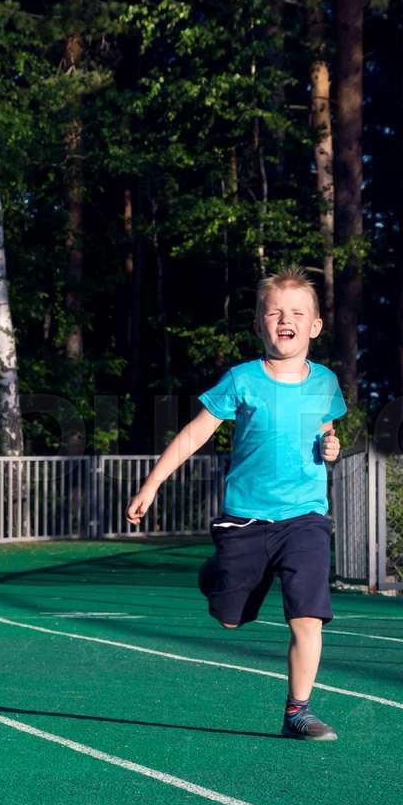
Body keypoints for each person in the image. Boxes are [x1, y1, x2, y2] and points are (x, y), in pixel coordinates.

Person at [127, 267, 346, 739]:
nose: (286, 320)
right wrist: (152, 484)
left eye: (297, 313)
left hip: (305, 517)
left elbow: (326, 432)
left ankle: (298, 712)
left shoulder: (326, 382)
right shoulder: (242, 379)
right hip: (246, 518)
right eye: (275, 312)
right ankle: (216, 574)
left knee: (307, 618)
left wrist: (332, 447)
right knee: (231, 618)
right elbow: (195, 434)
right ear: (258, 324)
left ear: (314, 326)